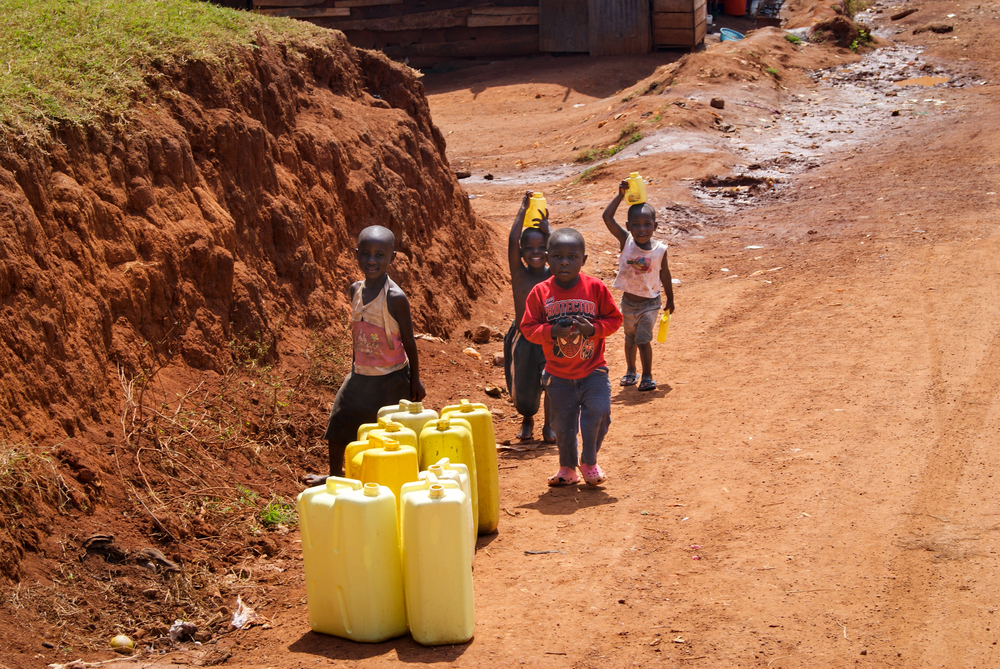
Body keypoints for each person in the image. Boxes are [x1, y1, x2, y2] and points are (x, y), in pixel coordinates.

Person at [304, 225, 426, 487]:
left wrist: (415, 380)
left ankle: (398, 477)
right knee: (340, 419)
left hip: (392, 377)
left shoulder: (395, 297)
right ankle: (336, 474)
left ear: (392, 258)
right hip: (361, 374)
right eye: (366, 254)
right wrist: (353, 368)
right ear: (356, 254)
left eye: (380, 255)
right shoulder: (355, 290)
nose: (372, 261)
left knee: (392, 430)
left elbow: (409, 342)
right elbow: (357, 334)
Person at [520, 228, 623, 487]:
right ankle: (567, 467)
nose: (565, 261)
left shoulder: (595, 288)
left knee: (599, 413)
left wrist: (594, 329)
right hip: (558, 375)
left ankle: (589, 461)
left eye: (572, 256)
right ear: (547, 258)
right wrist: (552, 331)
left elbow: (614, 319)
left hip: (593, 371)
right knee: (562, 425)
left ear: (583, 260)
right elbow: (528, 328)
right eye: (557, 256)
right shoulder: (540, 293)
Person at [602, 180, 675, 392]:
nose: (641, 229)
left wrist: (670, 299)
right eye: (635, 224)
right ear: (628, 227)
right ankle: (631, 371)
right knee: (630, 339)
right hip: (628, 303)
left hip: (650, 304)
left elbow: (666, 274)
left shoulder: (660, 250)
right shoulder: (626, 241)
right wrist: (620, 195)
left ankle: (648, 375)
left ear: (655, 226)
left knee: (643, 339)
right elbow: (607, 218)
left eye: (646, 224)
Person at [504, 191, 556, 443]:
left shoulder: (554, 273)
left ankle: (549, 425)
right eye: (530, 249)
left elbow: (560, 248)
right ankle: (527, 418)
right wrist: (523, 208)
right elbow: (513, 238)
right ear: (522, 252)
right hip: (524, 337)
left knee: (552, 383)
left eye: (542, 248)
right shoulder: (519, 273)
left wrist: (550, 229)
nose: (536, 253)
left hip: (550, 336)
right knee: (524, 387)